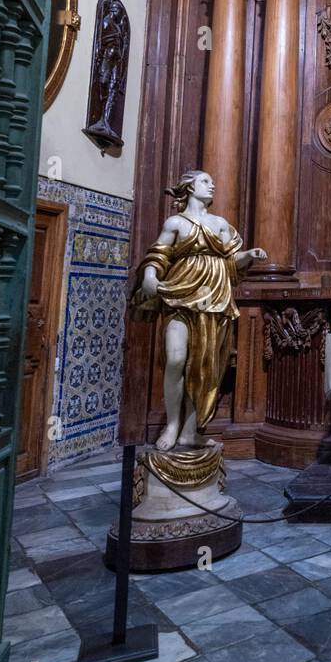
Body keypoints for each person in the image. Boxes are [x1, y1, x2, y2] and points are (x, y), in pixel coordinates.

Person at [132, 170, 265, 451]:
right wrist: (149, 276)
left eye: (212, 181)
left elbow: (231, 260)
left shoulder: (220, 224)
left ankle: (190, 432)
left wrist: (248, 255)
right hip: (179, 295)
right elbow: (159, 253)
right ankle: (171, 424)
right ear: (189, 187)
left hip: (214, 300)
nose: (212, 184)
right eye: (205, 181)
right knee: (176, 358)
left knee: (203, 367)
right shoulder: (176, 222)